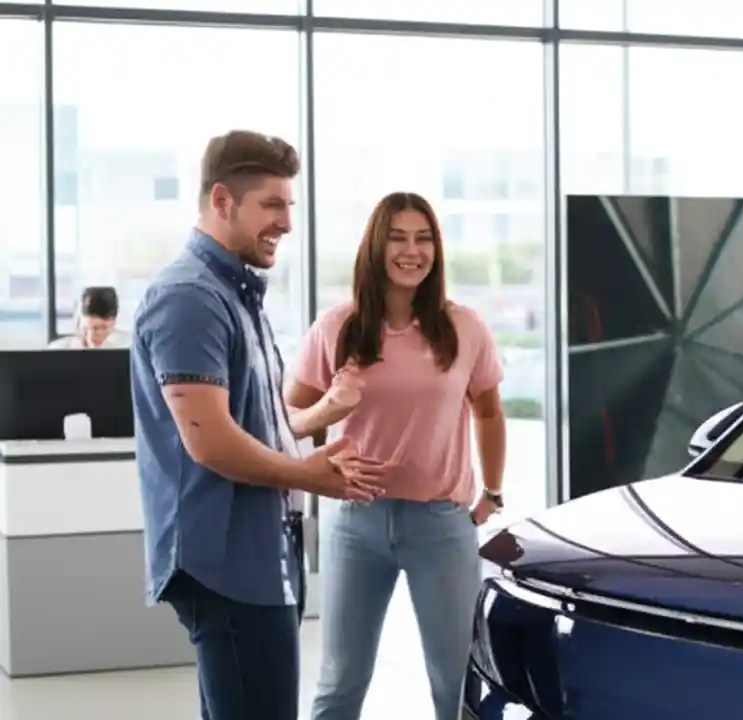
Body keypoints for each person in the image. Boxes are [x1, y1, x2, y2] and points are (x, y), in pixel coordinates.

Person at [130, 129, 388, 720]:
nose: (287, 223)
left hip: (258, 553)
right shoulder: (190, 297)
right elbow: (211, 442)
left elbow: (253, 422)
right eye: (272, 205)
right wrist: (309, 475)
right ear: (222, 201)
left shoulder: (234, 294)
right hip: (227, 561)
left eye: (289, 206)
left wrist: (324, 413)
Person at [286, 191, 507, 720]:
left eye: (424, 238)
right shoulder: (336, 327)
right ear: (376, 247)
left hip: (441, 524)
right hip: (356, 524)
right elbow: (288, 420)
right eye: (399, 238)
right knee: (340, 683)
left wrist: (491, 495)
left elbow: (489, 412)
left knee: (456, 683)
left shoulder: (464, 328)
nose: (412, 251)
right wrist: (327, 425)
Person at [49, 286, 131, 348]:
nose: (91, 336)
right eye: (86, 329)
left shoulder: (129, 346)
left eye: (99, 328)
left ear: (113, 323)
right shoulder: (59, 349)